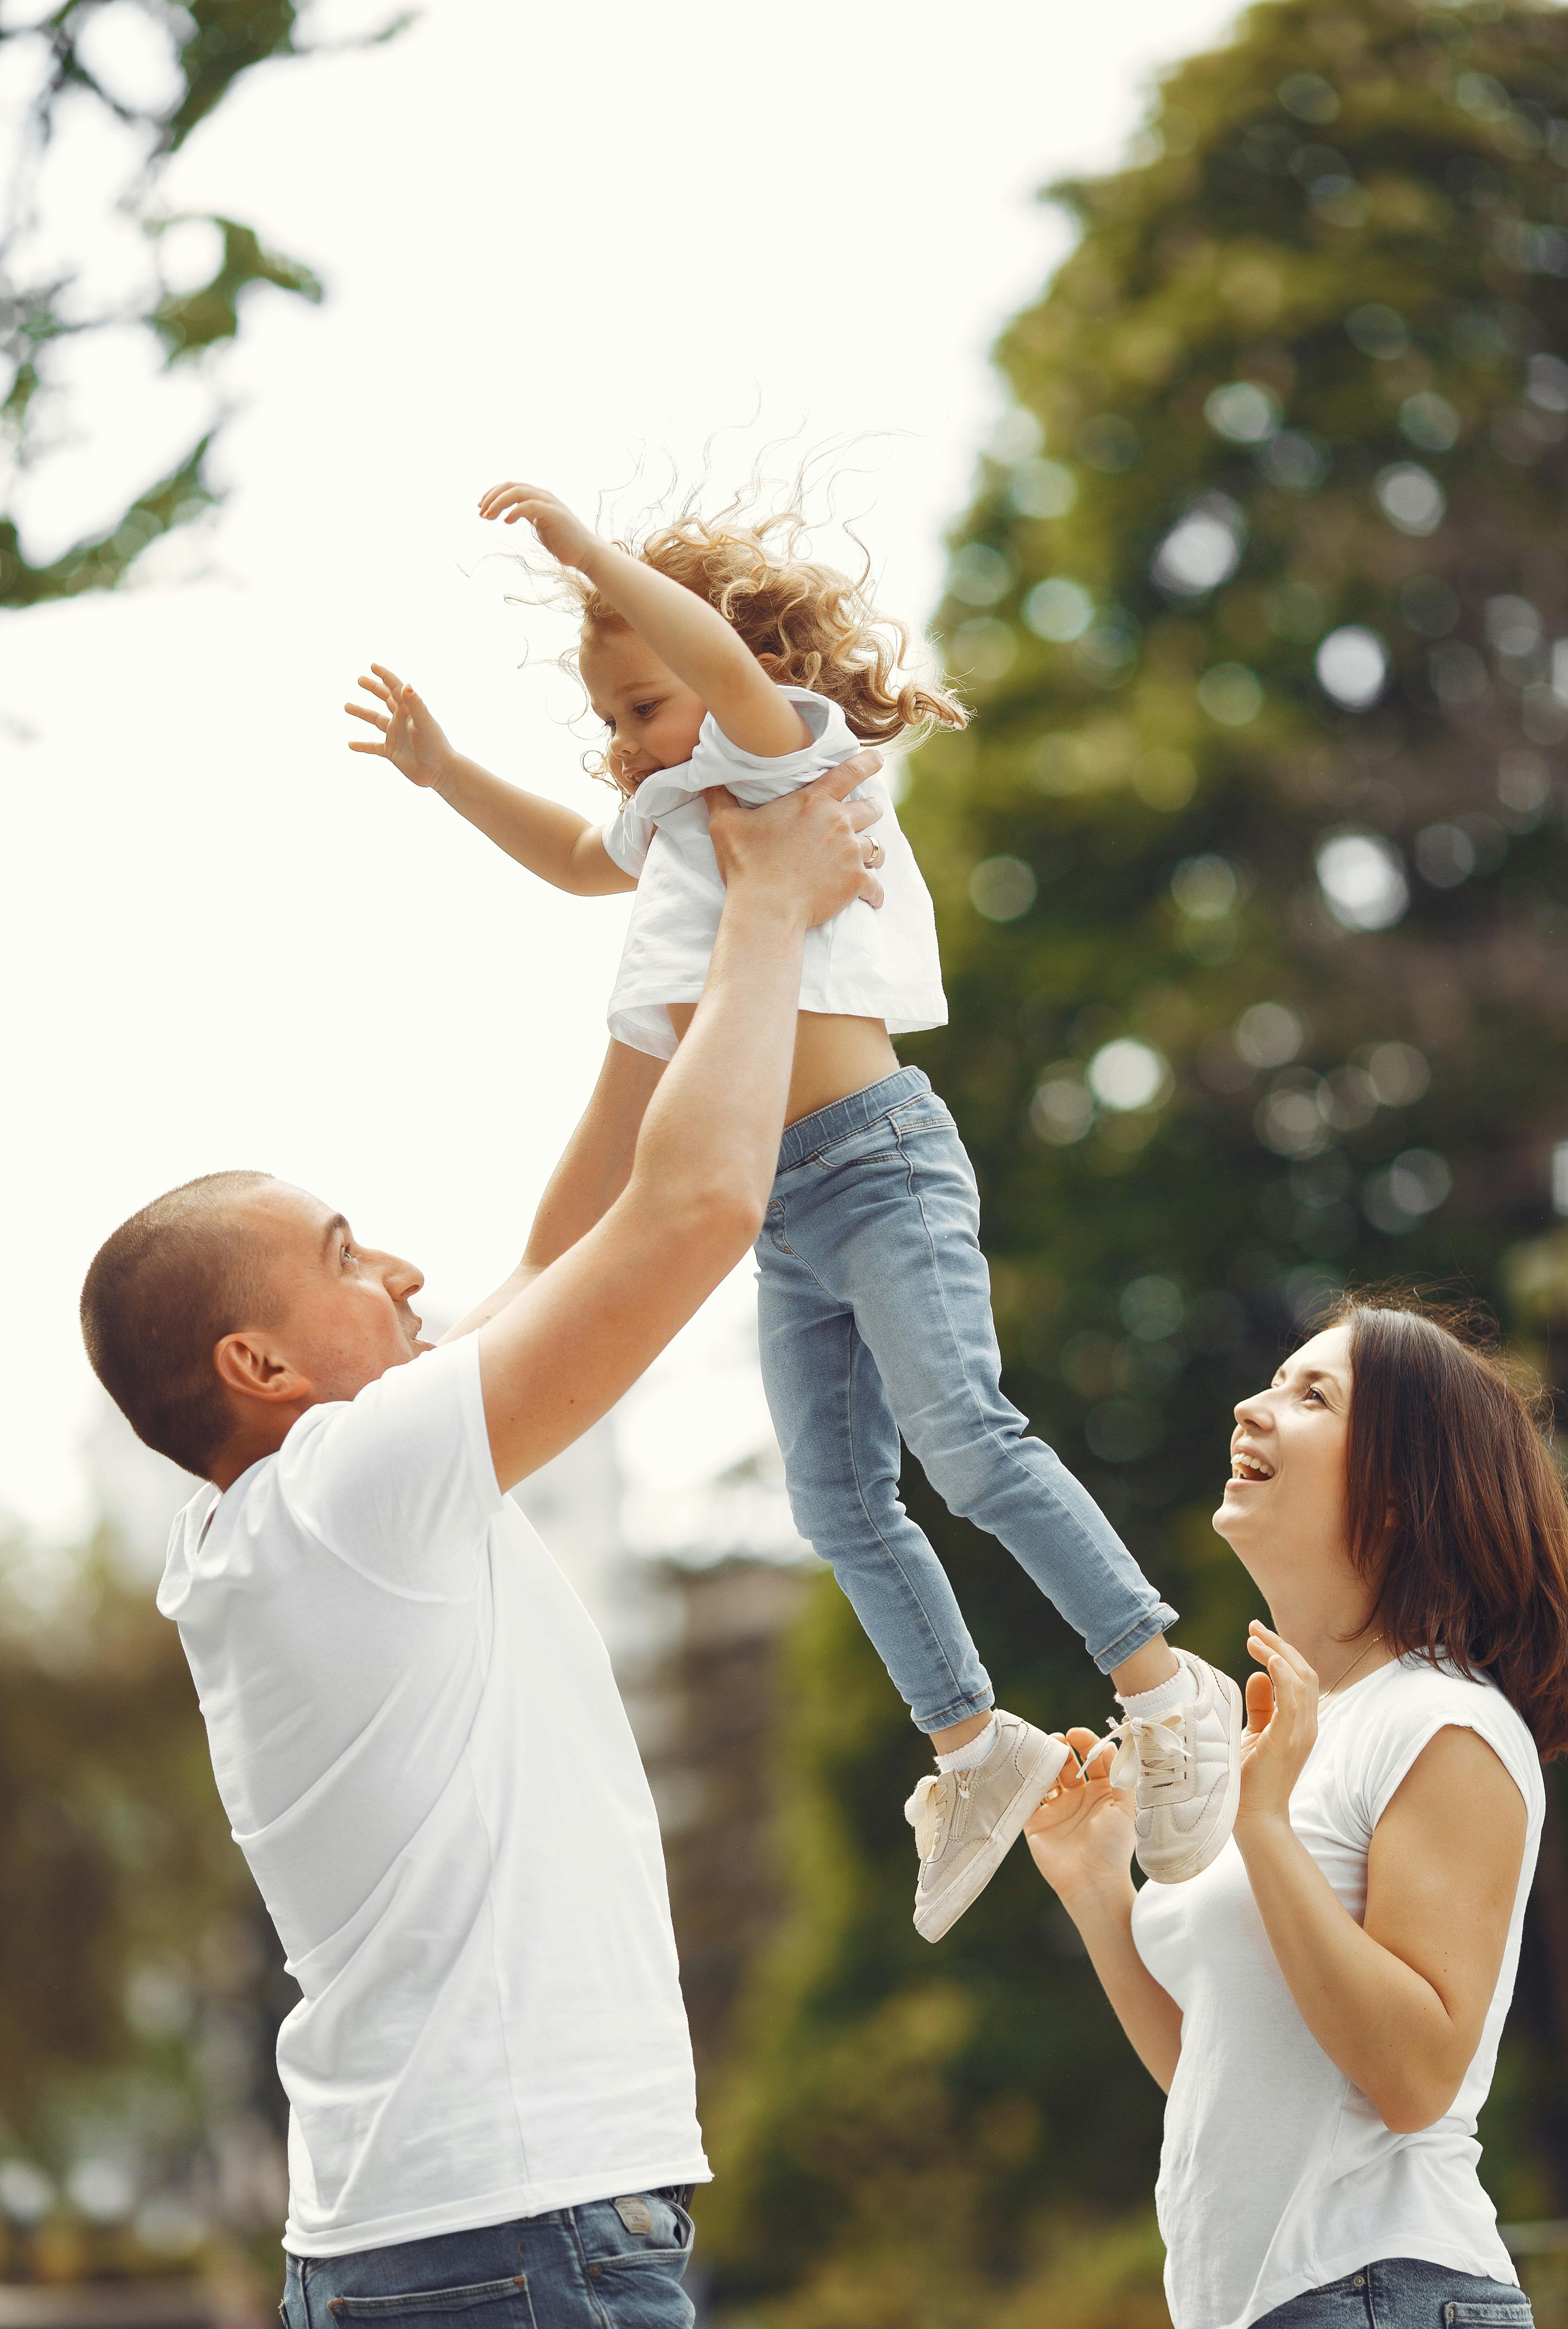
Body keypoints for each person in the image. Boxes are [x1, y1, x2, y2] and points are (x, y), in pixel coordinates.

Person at [79, 764, 887, 2329]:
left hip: (401, 2264)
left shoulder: (283, 1528)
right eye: (350, 1254)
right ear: (260, 1368)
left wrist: (678, 946)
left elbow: (570, 1239)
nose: (408, 1272)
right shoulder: (352, 1489)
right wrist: (767, 911)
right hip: (520, 2247)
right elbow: (688, 1217)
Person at [344, 475, 1243, 1940]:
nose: (628, 743)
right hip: (778, 1213)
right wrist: (446, 771)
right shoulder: (672, 825)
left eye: (642, 706)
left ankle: (1160, 1680)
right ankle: (972, 1743)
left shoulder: (785, 762)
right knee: (834, 1499)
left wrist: (591, 556)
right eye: (615, 720)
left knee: (967, 1443)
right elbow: (575, 860)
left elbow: (712, 671)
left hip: (879, 1163)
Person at [1028, 1297, 1567, 2329]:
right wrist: (1096, 1889)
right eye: (1275, 1381)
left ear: (1392, 1493)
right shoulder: (1295, 1738)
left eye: (1312, 1396)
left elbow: (1416, 2073)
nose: (1252, 1406)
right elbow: (1228, 2061)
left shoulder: (1447, 1721)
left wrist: (1263, 1823)